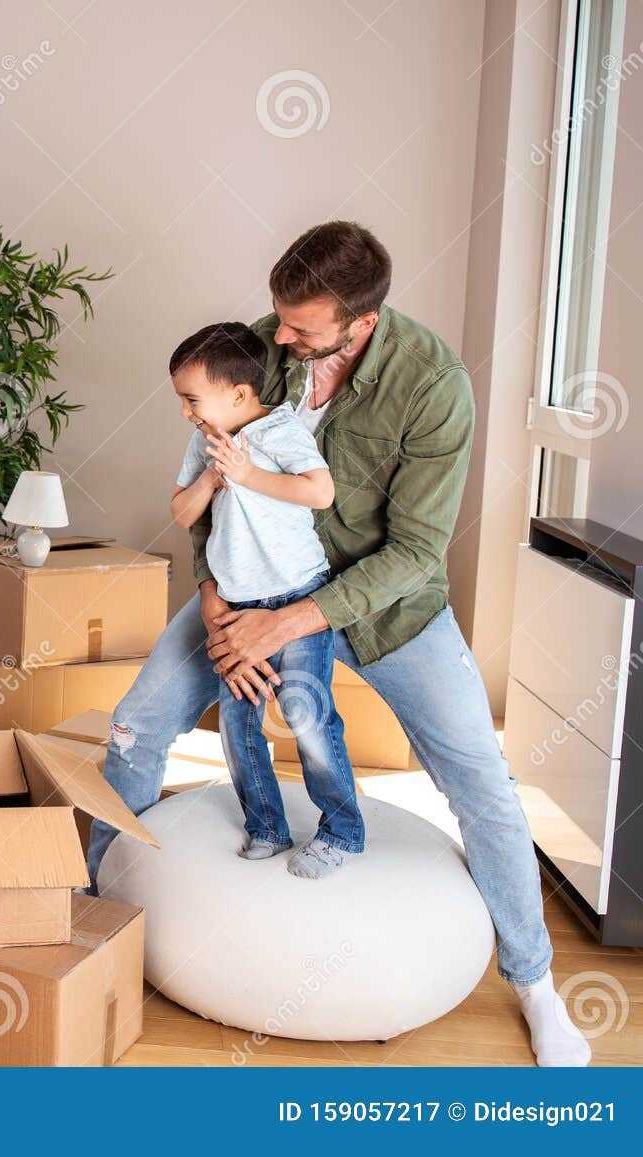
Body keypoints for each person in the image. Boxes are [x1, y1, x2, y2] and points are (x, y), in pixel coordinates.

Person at [87, 221, 591, 1066]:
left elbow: (416, 551)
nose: (278, 337)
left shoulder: (433, 386)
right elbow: (206, 490)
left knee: (484, 784)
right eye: (280, 319)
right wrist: (217, 605)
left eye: (302, 329)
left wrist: (285, 625)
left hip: (386, 610)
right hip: (251, 596)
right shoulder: (262, 345)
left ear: (360, 322)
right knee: (136, 723)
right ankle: (88, 905)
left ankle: (537, 982)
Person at [167, 321, 362, 877]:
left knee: (307, 715)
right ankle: (268, 827)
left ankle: (343, 832)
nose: (185, 411)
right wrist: (213, 474)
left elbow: (319, 492)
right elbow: (182, 514)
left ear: (237, 394)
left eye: (191, 399)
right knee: (239, 724)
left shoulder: (280, 430)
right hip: (234, 607)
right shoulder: (204, 443)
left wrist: (247, 472)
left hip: (297, 597)